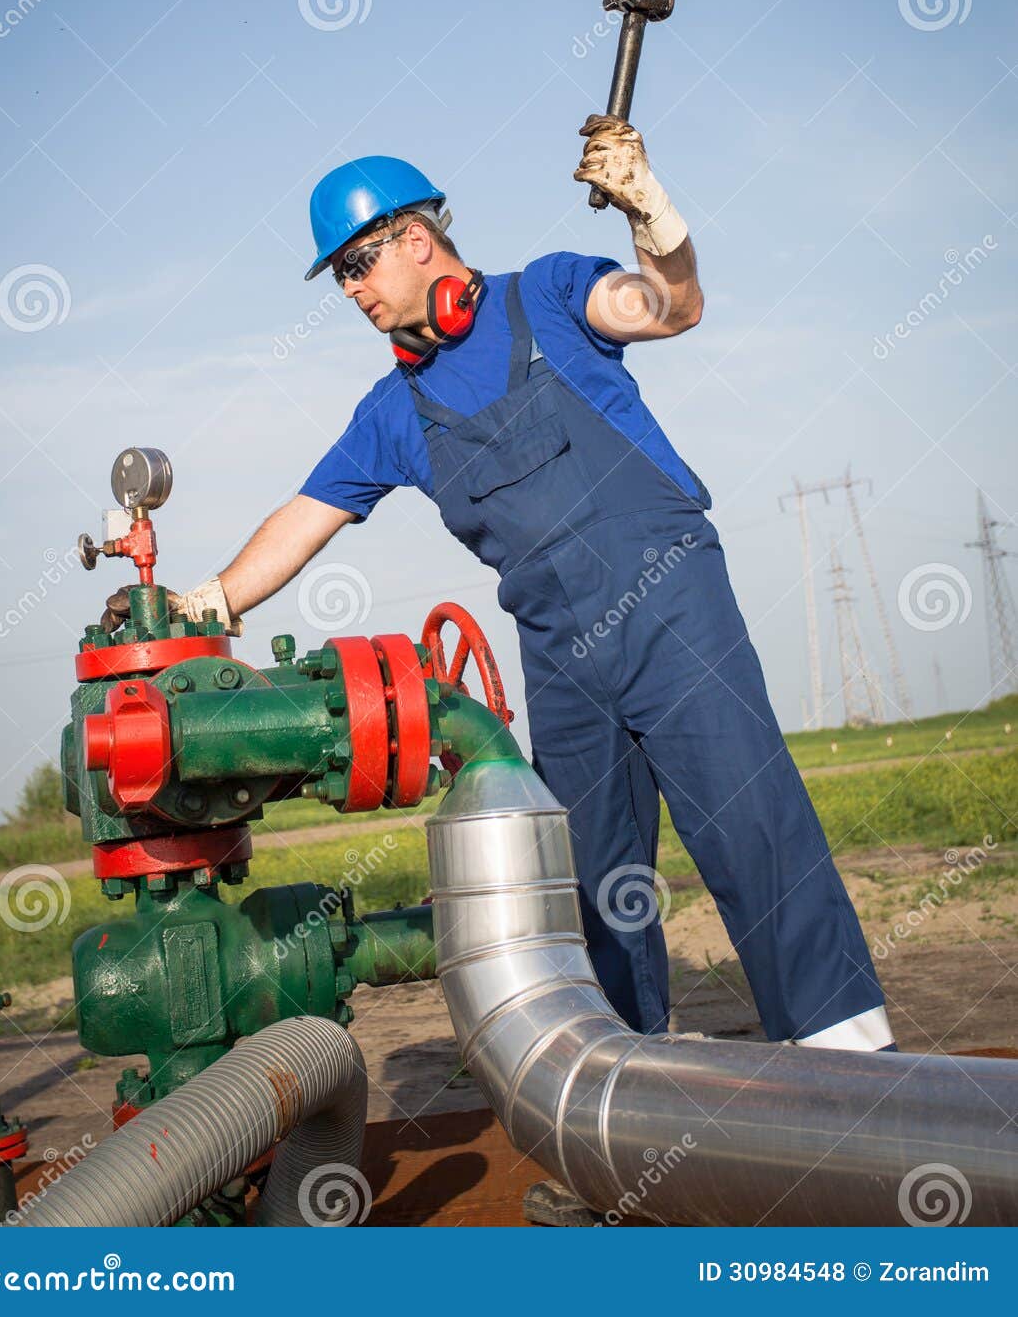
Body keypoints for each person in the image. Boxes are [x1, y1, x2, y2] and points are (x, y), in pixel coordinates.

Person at [104, 119, 897, 1070]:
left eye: (356, 264)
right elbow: (303, 519)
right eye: (338, 276)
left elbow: (670, 307)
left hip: (669, 603)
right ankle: (622, 1084)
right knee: (583, 876)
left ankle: (854, 1065)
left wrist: (653, 215)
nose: (350, 290)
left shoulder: (551, 295)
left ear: (414, 238)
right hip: (558, 649)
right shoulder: (394, 411)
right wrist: (209, 602)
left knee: (749, 821)